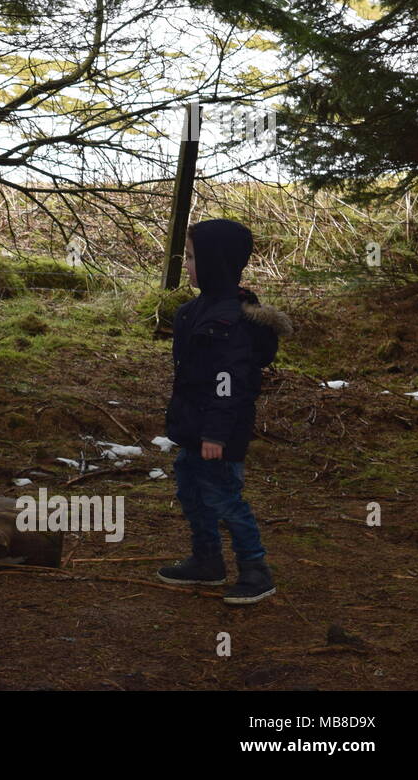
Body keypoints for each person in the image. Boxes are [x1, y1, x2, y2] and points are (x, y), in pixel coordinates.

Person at [157, 218, 293, 604]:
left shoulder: (231, 321)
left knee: (224, 498)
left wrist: (215, 434)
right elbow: (189, 377)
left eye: (192, 257)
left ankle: (255, 569)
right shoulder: (192, 311)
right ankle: (207, 560)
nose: (186, 264)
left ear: (216, 262)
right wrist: (186, 426)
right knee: (192, 494)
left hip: (219, 434)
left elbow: (229, 384)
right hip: (192, 429)